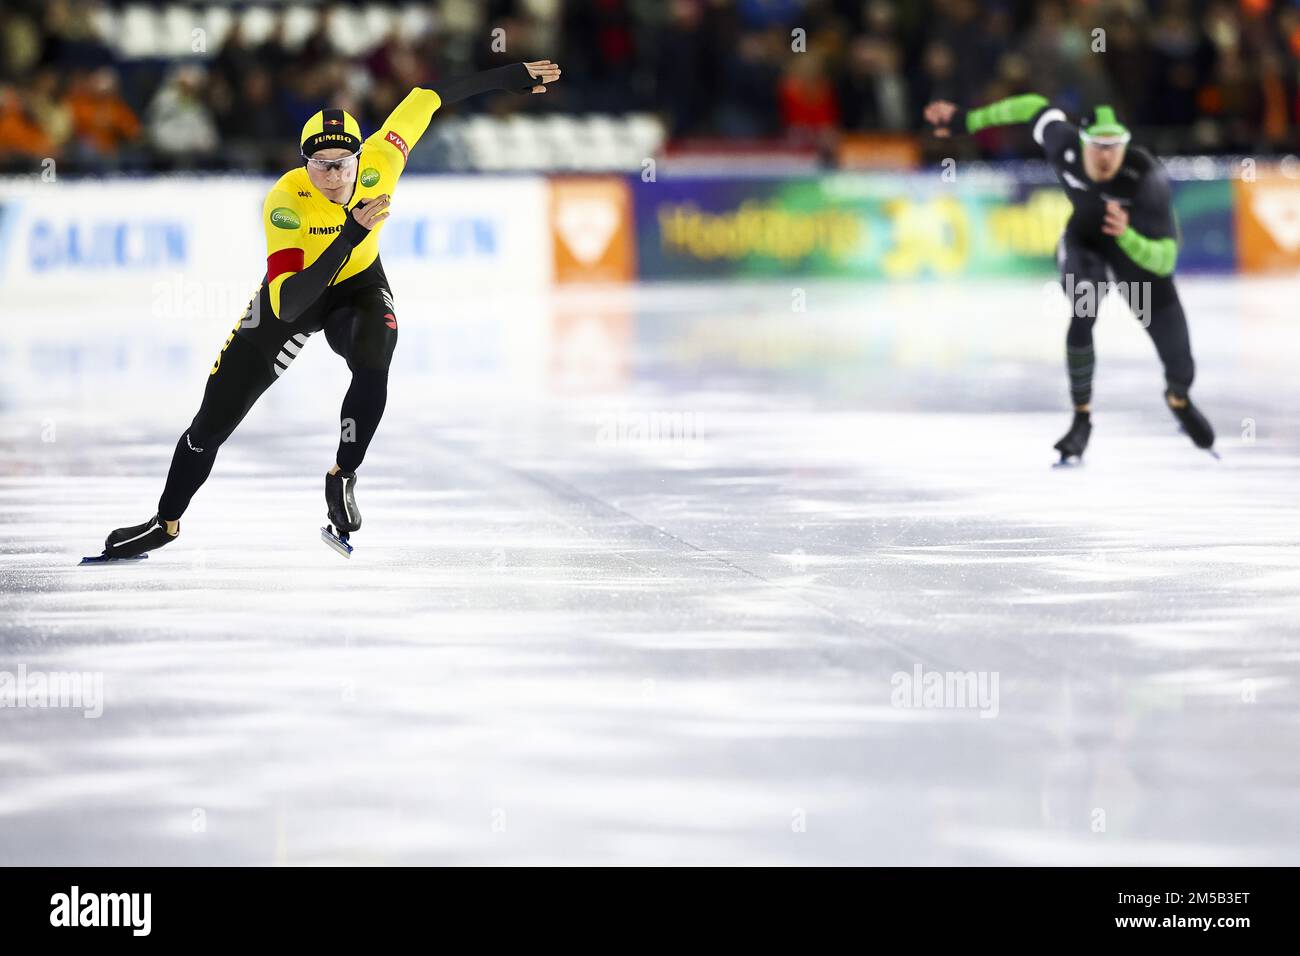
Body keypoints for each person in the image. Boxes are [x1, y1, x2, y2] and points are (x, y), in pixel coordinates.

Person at [93, 60, 562, 561]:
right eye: (321, 165)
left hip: (357, 286)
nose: (334, 176)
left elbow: (429, 96)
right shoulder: (286, 200)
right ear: (303, 163)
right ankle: (165, 522)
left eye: (343, 163)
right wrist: (351, 235)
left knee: (376, 354)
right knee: (210, 424)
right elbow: (290, 300)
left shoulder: (384, 158)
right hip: (293, 295)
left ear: (363, 157)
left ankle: (342, 475)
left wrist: (505, 76)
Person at [924, 96, 1215, 463]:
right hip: (1086, 243)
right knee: (1084, 307)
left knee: (1180, 362)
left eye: (1114, 148)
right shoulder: (1063, 144)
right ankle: (1082, 419)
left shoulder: (1145, 177)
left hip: (1135, 257)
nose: (1107, 157)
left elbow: (1165, 261)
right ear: (1082, 141)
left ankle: (1178, 398)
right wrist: (967, 120)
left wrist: (1127, 235)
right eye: (1098, 147)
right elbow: (1031, 107)